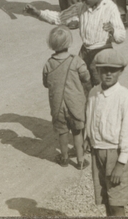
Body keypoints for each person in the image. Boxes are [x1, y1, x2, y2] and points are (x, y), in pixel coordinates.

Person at [28, 0, 125, 83]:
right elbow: (60, 18)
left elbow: (121, 36)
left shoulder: (110, 8)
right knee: (81, 83)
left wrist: (114, 30)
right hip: (84, 53)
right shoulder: (81, 8)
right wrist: (38, 13)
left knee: (101, 86)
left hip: (102, 54)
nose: (83, 1)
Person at [85, 49, 128, 217]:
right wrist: (88, 137)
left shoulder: (126, 97)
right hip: (97, 152)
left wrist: (121, 163)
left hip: (115, 153)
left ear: (121, 71)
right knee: (105, 199)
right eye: (103, 69)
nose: (108, 73)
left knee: (117, 202)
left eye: (113, 70)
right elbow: (90, 115)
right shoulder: (94, 92)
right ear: (97, 70)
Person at [42, 25, 91, 169]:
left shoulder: (48, 64)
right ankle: (80, 161)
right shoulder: (76, 61)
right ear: (69, 43)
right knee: (77, 132)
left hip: (57, 106)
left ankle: (64, 158)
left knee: (62, 133)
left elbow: (46, 83)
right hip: (75, 104)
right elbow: (86, 77)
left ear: (51, 44)